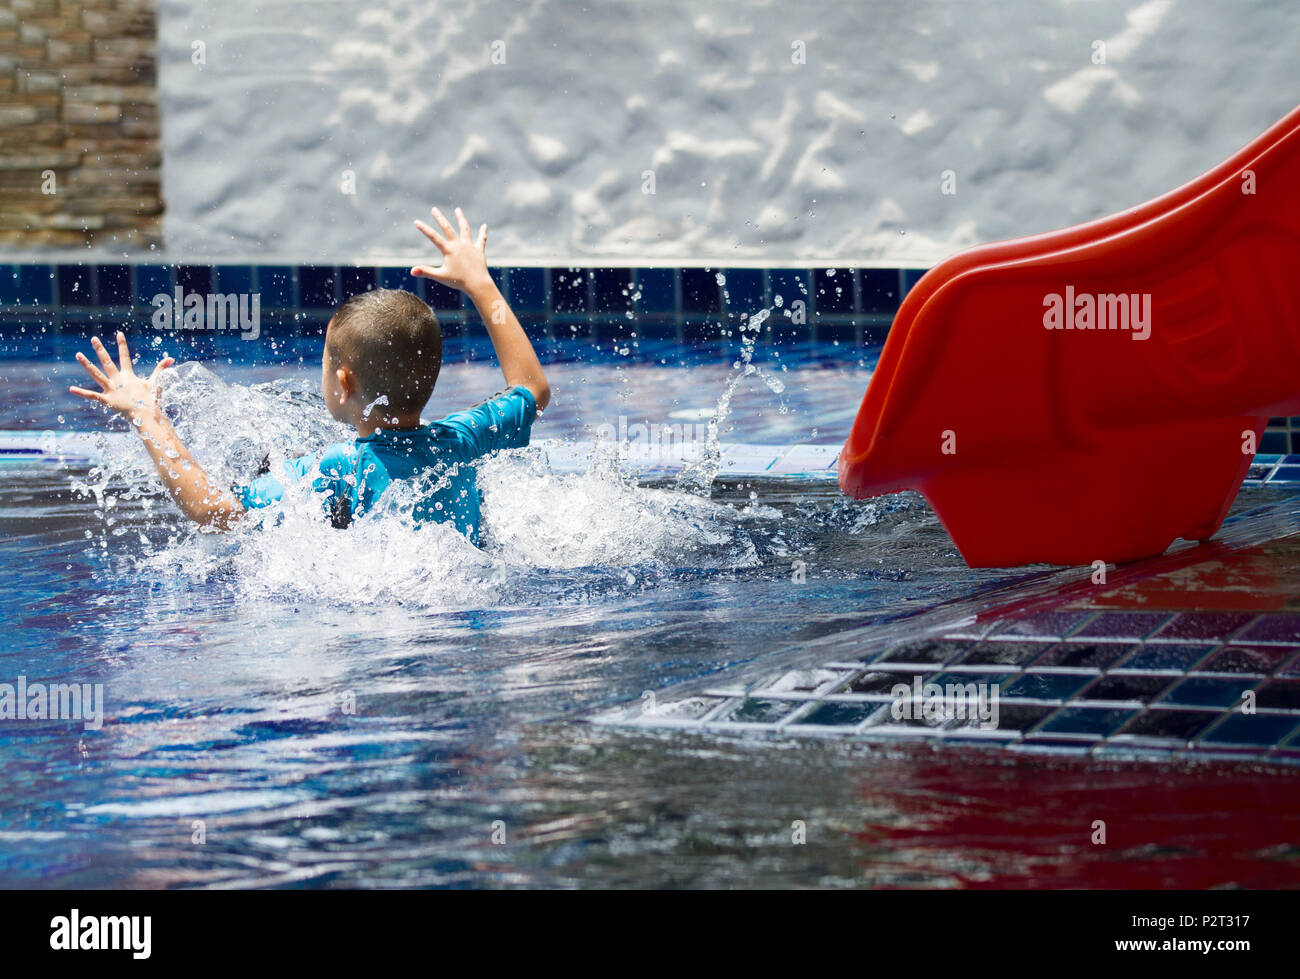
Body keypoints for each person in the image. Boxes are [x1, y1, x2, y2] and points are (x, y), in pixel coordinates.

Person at [69, 207, 550, 544]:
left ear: (344, 383)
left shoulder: (333, 470)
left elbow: (213, 513)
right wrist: (480, 282)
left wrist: (147, 415)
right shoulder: (463, 439)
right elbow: (532, 389)